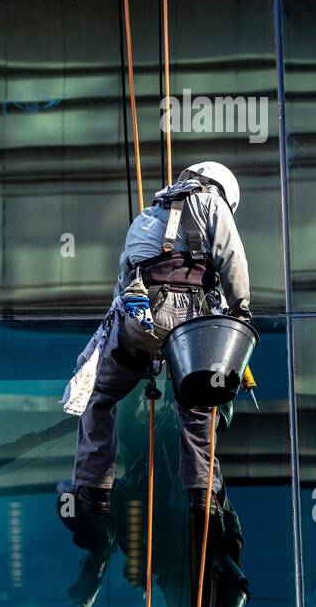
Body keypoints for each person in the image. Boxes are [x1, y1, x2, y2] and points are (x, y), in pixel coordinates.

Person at [61, 161, 251, 542]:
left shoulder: (145, 217)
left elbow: (124, 278)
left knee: (101, 397)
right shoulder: (211, 206)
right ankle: (203, 498)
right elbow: (231, 257)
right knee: (198, 405)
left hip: (139, 318)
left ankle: (92, 489)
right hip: (188, 320)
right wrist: (240, 309)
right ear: (220, 189)